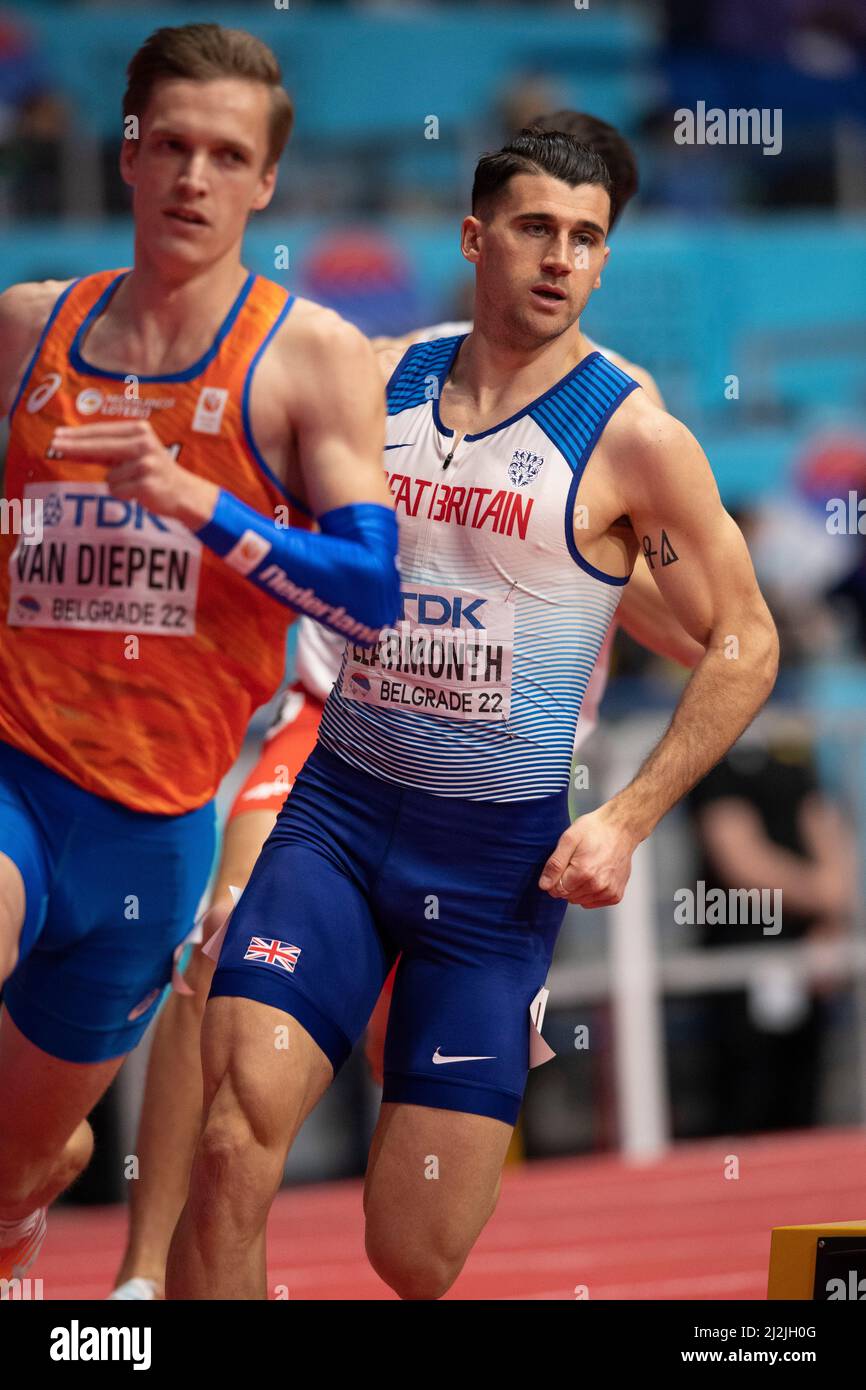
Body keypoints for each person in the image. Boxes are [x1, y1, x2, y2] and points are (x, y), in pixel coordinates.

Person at [166, 128, 778, 1300]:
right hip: (337, 818)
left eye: (586, 238)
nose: (560, 259)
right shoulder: (373, 377)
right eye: (536, 228)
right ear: (473, 236)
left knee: (414, 1249)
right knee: (231, 1136)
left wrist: (627, 818)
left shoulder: (632, 438)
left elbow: (741, 643)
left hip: (495, 872)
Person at [0, 22, 399, 1283]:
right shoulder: (24, 330)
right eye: (168, 145)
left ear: (265, 182)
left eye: (225, 154)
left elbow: (374, 592)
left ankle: (20, 1215)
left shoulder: (307, 359)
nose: (192, 177)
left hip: (154, 827)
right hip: (13, 766)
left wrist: (204, 506)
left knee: (17, 1159)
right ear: (126, 156)